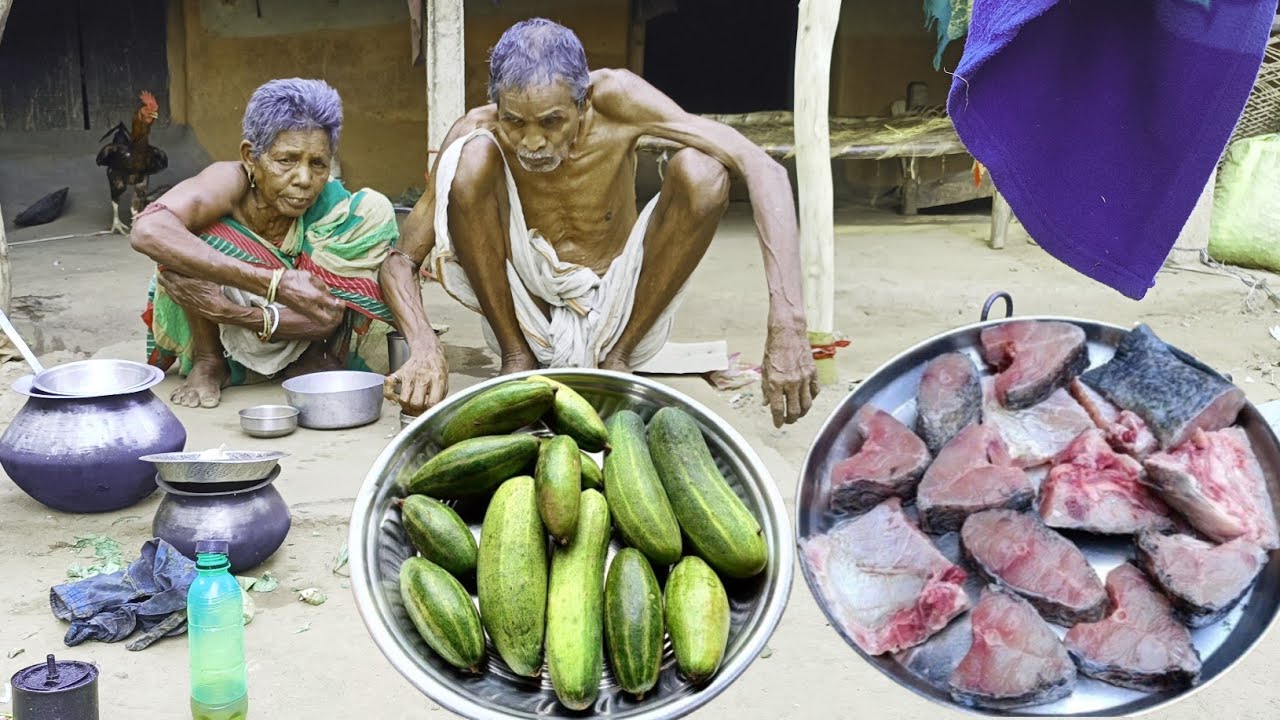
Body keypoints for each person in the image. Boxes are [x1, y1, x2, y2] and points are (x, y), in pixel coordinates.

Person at [385, 18, 818, 426]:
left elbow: (764, 168)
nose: (532, 141)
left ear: (584, 100)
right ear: (497, 103)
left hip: (623, 305)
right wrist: (424, 344)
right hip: (527, 317)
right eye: (514, 121)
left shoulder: (619, 99)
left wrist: (789, 325)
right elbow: (399, 262)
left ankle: (619, 359)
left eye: (552, 121)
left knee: (704, 171)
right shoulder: (479, 128)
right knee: (470, 156)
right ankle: (516, 359)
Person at [130, 78, 449, 411]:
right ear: (251, 156)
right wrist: (274, 283)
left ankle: (314, 356)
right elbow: (148, 229)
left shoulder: (334, 211)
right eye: (286, 161)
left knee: (372, 212)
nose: (304, 179)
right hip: (232, 313)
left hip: (306, 330)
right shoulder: (229, 180)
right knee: (187, 240)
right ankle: (211, 359)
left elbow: (327, 316)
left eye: (318, 164)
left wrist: (231, 312)